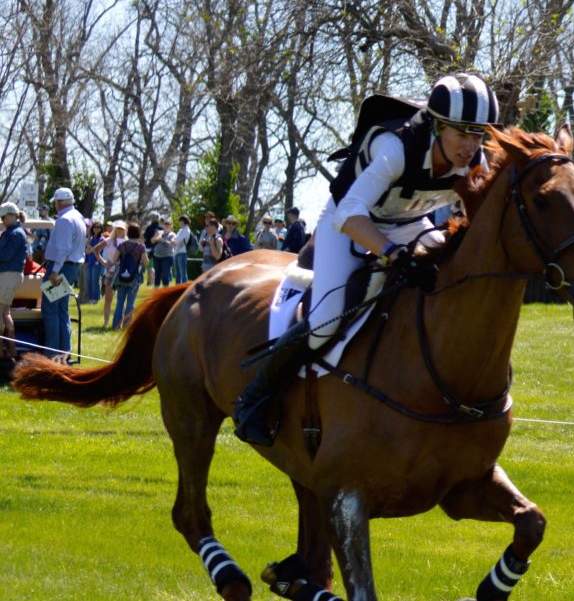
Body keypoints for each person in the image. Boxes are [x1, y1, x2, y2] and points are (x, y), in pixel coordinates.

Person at [232, 71, 500, 445]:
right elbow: (350, 216)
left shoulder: (475, 161)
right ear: (438, 127)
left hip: (409, 223)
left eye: (479, 134)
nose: (472, 146)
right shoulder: (397, 147)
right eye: (462, 133)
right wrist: (394, 257)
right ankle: (253, 400)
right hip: (347, 222)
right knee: (325, 321)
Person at [41, 187, 87, 361]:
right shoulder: (78, 217)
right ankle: (64, 353)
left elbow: (62, 249)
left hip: (61, 268)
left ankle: (52, 354)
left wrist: (54, 270)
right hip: (72, 267)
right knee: (61, 310)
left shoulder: (64, 220)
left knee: (51, 310)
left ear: (59, 203)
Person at [0, 202, 25, 358]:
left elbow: (5, 255)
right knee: (5, 312)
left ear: (11, 216)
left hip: (8, 275)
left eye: (3, 217)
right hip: (10, 275)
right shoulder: (13, 232)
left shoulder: (14, 233)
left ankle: (3, 353)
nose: (2, 220)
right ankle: (11, 351)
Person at [111, 223, 148, 330]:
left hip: (121, 277)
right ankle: (127, 327)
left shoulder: (122, 245)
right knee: (130, 303)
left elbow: (114, 260)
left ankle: (116, 326)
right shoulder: (141, 247)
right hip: (134, 278)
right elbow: (146, 263)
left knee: (120, 302)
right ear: (139, 233)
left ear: (128, 233)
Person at [99, 221, 126, 328]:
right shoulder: (110, 240)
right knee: (108, 298)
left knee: (121, 299)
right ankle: (106, 322)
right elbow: (96, 250)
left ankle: (120, 323)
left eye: (122, 229)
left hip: (122, 273)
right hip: (110, 271)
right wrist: (104, 262)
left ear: (125, 230)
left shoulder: (127, 241)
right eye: (118, 228)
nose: (119, 231)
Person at [150, 215, 177, 285]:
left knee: (165, 276)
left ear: (171, 226)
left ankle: (165, 291)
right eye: (165, 223)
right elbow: (152, 241)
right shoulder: (159, 232)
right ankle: (156, 291)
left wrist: (162, 240)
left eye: (168, 224)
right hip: (157, 256)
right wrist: (155, 237)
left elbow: (171, 244)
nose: (166, 225)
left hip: (167, 257)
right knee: (157, 275)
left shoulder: (173, 234)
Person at [172, 215, 193, 282]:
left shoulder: (186, 230)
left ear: (183, 221)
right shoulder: (181, 230)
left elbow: (177, 240)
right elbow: (175, 239)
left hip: (182, 253)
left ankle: (184, 289)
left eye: (180, 221)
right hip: (177, 253)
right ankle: (178, 289)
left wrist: (174, 240)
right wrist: (174, 240)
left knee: (183, 273)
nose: (179, 223)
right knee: (177, 274)